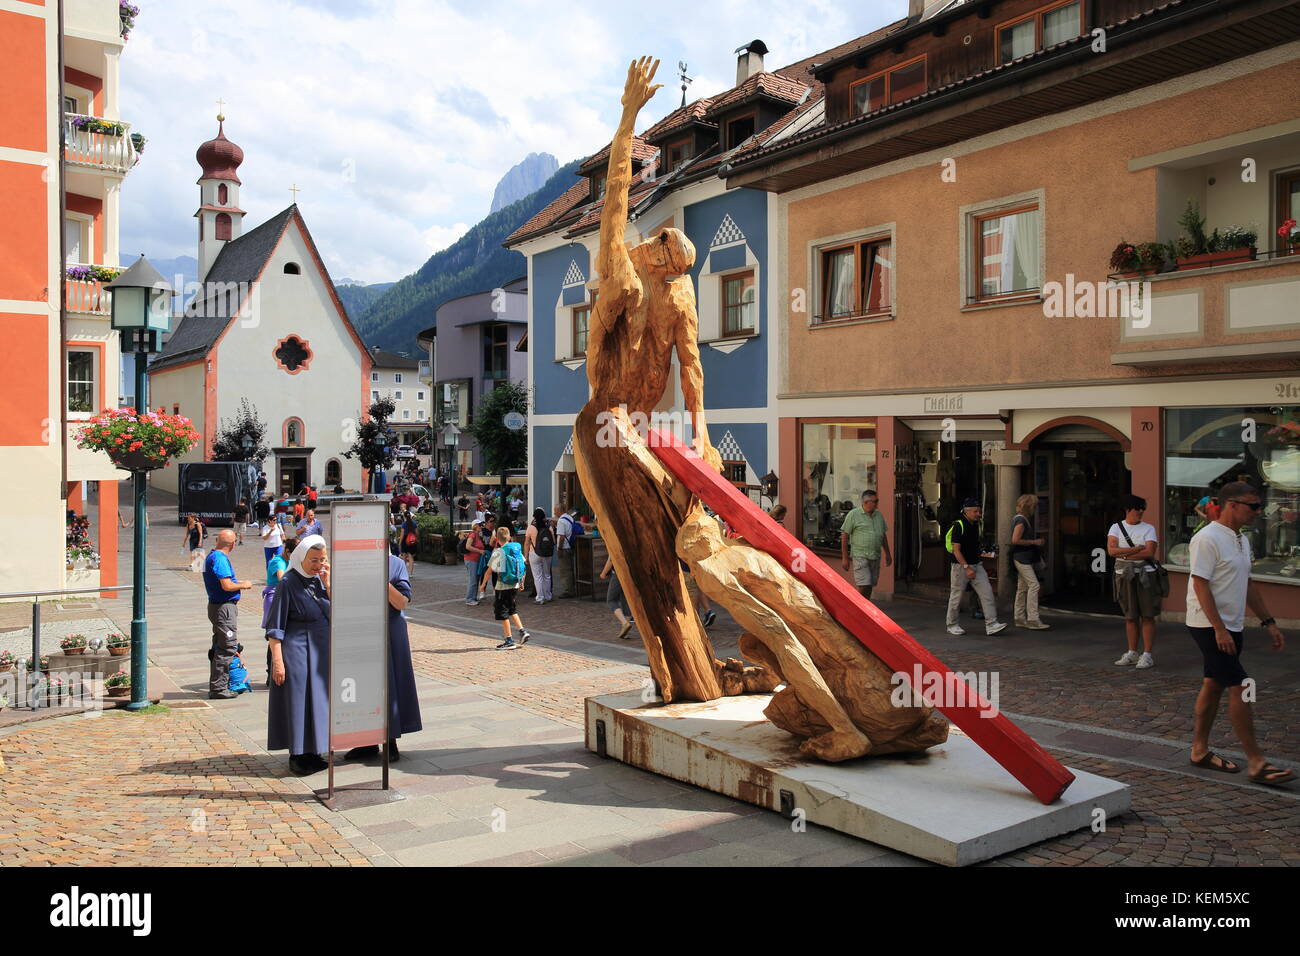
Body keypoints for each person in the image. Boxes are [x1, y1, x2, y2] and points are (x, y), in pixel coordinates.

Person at [1185, 482, 1293, 786]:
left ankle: (1198, 750)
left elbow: (1250, 585)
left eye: (1259, 506)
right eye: (1253, 506)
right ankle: (1256, 762)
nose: (1258, 512)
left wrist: (1268, 622)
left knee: (1213, 684)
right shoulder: (1207, 538)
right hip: (1208, 625)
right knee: (1241, 685)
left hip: (1232, 624)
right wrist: (1219, 629)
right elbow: (1199, 584)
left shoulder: (1241, 540)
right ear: (1231, 504)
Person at [345, 553, 423, 762]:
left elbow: (402, 602)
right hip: (361, 629)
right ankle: (365, 741)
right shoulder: (351, 558)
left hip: (388, 628)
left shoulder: (395, 564)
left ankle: (390, 738)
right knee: (362, 683)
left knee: (389, 684)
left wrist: (382, 582)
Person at [265, 534, 331, 776]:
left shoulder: (320, 580)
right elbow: (275, 627)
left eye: (322, 559)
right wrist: (278, 661)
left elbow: (336, 610)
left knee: (318, 701)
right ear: (302, 557)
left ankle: (315, 749)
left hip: (320, 650)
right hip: (297, 649)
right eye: (313, 560)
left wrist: (328, 583)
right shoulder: (288, 582)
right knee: (299, 701)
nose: (318, 565)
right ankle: (298, 754)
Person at [1108, 494, 1160, 669]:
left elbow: (1149, 552)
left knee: (1147, 614)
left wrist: (1124, 553)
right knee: (1130, 615)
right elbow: (1111, 550)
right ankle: (1132, 651)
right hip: (1124, 574)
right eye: (1137, 508)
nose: (1140, 512)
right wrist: (1136, 548)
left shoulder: (1149, 528)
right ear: (1127, 509)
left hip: (1146, 574)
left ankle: (1147, 653)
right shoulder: (1116, 528)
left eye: (1142, 509)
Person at [945, 499, 1007, 636]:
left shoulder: (976, 525)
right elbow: (956, 550)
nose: (979, 513)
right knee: (957, 596)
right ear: (967, 511)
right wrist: (966, 567)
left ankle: (991, 624)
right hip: (960, 566)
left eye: (979, 511)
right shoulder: (959, 525)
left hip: (976, 565)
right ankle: (952, 624)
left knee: (987, 592)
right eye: (975, 511)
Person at [203, 529, 253, 699]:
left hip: (218, 606)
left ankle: (219, 684)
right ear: (232, 544)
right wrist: (243, 584)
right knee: (227, 647)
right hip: (223, 608)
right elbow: (226, 585)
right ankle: (219, 688)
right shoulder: (219, 559)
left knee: (220, 645)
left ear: (217, 540)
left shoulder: (212, 556)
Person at [480, 526, 531, 649]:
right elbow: (523, 566)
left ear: (497, 539)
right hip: (515, 584)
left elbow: (489, 571)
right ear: (509, 537)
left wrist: (482, 586)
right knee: (512, 609)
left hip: (503, 585)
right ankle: (522, 632)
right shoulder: (516, 548)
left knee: (502, 612)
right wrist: (522, 582)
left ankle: (509, 640)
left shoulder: (499, 552)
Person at [839, 489, 892, 601]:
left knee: (870, 584)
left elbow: (882, 535)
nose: (877, 503)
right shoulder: (853, 514)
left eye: (877, 501)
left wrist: (887, 553)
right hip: (860, 555)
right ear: (866, 502)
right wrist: (845, 557)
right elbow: (844, 536)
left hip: (875, 555)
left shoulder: (879, 515)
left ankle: (865, 607)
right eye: (875, 501)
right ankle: (859, 607)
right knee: (864, 583)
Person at [1010, 493, 1049, 629]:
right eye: (1035, 506)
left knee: (1022, 588)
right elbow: (1015, 540)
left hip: (1021, 557)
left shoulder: (1020, 519)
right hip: (1022, 558)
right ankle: (1033, 618)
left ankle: (1019, 617)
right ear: (1029, 506)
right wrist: (1035, 542)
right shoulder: (1021, 520)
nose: (1036, 508)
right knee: (1034, 585)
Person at [599, 556, 636, 639]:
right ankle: (625, 631)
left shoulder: (615, 543)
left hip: (618, 574)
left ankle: (625, 623)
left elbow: (611, 560)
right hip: (629, 575)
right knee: (625, 601)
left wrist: (603, 573)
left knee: (611, 600)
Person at [525, 507, 555, 604]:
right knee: (547, 575)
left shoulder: (531, 528)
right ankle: (548, 596)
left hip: (534, 553)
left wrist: (526, 556)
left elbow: (526, 543)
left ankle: (540, 597)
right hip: (547, 553)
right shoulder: (548, 527)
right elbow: (553, 541)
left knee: (537, 576)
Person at [461, 522, 486, 606]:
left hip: (476, 560)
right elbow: (468, 546)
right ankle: (469, 599)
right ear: (475, 526)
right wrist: (479, 551)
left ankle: (473, 598)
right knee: (473, 580)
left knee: (476, 579)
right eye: (480, 525)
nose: (481, 527)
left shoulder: (478, 535)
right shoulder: (473, 535)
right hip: (471, 560)